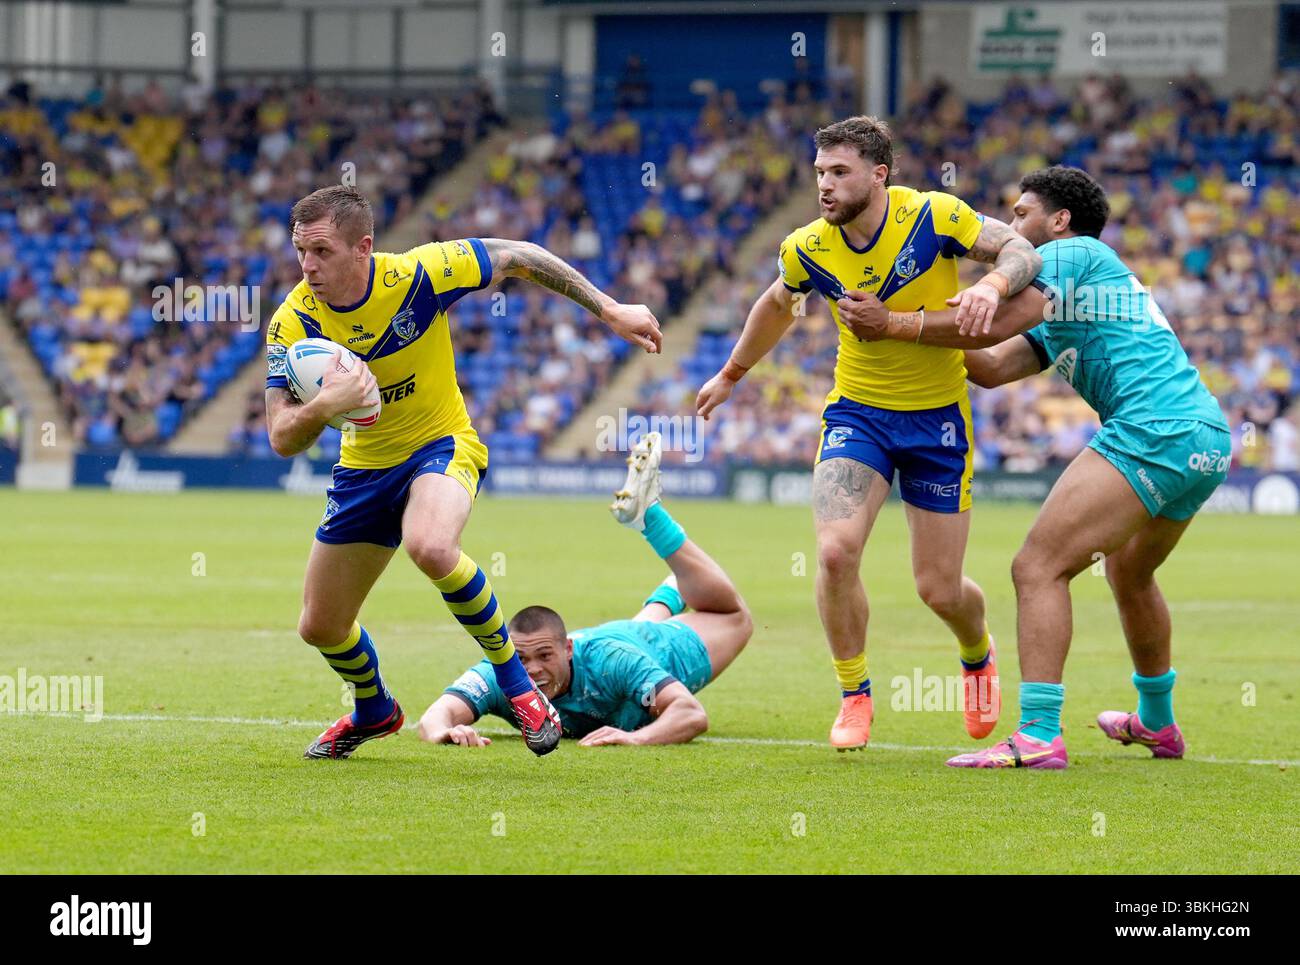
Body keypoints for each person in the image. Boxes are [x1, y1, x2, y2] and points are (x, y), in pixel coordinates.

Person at [838, 166, 1231, 768]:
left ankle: (1040, 735)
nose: (1012, 225)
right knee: (1130, 574)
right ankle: (1157, 722)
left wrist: (897, 320)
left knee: (1037, 566)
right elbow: (991, 364)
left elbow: (995, 320)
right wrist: (905, 331)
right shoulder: (1066, 297)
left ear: (1059, 222)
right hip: (1202, 436)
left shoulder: (1076, 254)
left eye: (1021, 214)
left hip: (1153, 430)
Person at [264, 185, 661, 759]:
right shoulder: (293, 321)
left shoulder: (420, 275)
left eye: (322, 251)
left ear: (363, 247)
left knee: (430, 545)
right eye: (301, 251)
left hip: (440, 446)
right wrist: (327, 404)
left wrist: (610, 309)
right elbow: (281, 436)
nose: (308, 265)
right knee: (320, 626)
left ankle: (515, 682)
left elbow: (521, 255)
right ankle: (375, 709)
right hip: (363, 467)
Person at [695, 116, 1041, 750]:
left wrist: (990, 283)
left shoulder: (935, 216)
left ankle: (976, 650)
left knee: (938, 589)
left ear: (879, 175)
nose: (825, 186)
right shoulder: (807, 247)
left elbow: (1022, 251)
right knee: (833, 553)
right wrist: (731, 373)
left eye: (840, 173)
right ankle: (854, 693)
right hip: (857, 415)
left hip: (937, 420)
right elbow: (778, 304)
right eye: (820, 173)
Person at [418, 433, 752, 748]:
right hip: (622, 637)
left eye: (545, 656)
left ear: (567, 649)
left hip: (652, 647)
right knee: (642, 626)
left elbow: (691, 714)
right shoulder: (502, 673)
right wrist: (444, 732)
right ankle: (675, 584)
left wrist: (637, 738)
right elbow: (435, 716)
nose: (532, 670)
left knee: (735, 617)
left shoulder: (614, 663)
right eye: (521, 660)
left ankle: (650, 518)